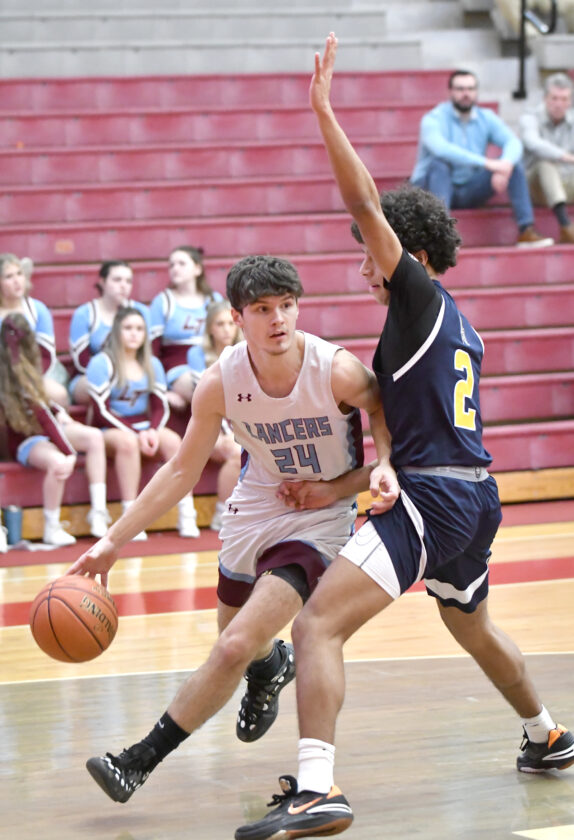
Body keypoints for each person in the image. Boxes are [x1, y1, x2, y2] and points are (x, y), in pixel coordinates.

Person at [235, 34, 574, 840]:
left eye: (372, 256)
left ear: (410, 253)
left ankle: (317, 789)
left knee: (316, 624)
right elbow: (415, 430)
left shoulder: (417, 297)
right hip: (471, 496)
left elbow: (363, 206)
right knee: (473, 625)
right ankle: (548, 734)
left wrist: (322, 111)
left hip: (437, 499)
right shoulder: (461, 326)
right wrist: (341, 488)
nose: (362, 268)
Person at [66, 254, 397, 809]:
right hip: (256, 506)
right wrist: (111, 543)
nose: (278, 320)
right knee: (242, 642)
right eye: (262, 309)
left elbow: (385, 414)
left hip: (319, 517)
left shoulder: (335, 368)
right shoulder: (220, 382)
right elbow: (179, 470)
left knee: (232, 645)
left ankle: (137, 762)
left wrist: (366, 474)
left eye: (287, 306)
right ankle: (271, 668)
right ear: (237, 318)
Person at [85, 306, 199, 541]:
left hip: (144, 426)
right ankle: (130, 515)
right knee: (127, 443)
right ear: (116, 331)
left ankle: (187, 512)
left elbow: (159, 406)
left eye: (139, 329)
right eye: (128, 328)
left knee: (174, 441)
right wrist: (137, 433)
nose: (134, 334)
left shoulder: (152, 363)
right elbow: (100, 411)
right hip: (111, 427)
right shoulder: (101, 363)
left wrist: (153, 431)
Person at [410, 69, 554, 248]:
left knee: (513, 164)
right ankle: (442, 236)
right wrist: (488, 163)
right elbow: (441, 149)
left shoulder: (486, 117)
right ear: (450, 92)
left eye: (470, 89)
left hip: (470, 189)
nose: (465, 94)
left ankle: (526, 230)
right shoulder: (433, 118)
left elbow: (513, 142)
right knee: (439, 164)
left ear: (476, 92)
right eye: (460, 89)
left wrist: (505, 165)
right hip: (432, 188)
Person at [0, 314, 110, 546]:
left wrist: (59, 411)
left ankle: (98, 512)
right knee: (60, 462)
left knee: (93, 437)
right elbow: (41, 415)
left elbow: (43, 408)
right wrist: (68, 451)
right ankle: (51, 525)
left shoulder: (29, 367)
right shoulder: (8, 373)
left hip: (39, 428)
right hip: (23, 438)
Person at [186, 299, 243, 531]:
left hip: (238, 426)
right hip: (207, 428)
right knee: (237, 453)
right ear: (210, 328)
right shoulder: (197, 355)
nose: (227, 329)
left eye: (230, 323)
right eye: (220, 324)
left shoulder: (245, 352)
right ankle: (222, 512)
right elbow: (206, 400)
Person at [149, 245, 223, 409]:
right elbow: (151, 351)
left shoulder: (213, 299)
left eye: (182, 264)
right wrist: (162, 389)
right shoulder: (163, 302)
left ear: (197, 269)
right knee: (204, 388)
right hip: (178, 367)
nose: (175, 269)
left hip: (211, 360)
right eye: (172, 265)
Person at [69, 260, 150, 405]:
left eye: (128, 281)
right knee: (95, 385)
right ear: (102, 282)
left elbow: (148, 352)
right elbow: (81, 361)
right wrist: (111, 373)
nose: (123, 285)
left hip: (132, 372)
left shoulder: (142, 312)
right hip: (90, 374)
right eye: (117, 280)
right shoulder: (85, 314)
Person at [0, 253, 70, 406]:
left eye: (19, 274)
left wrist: (28, 379)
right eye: (8, 277)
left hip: (36, 373)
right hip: (2, 374)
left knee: (59, 394)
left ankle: (57, 425)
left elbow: (46, 354)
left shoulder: (37, 309)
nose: (17, 281)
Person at [519, 72, 574, 245]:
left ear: (570, 101)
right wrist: (565, 156)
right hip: (537, 187)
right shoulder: (529, 117)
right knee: (545, 164)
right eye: (554, 98)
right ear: (545, 98)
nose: (559, 104)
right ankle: (566, 226)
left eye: (564, 99)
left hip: (567, 182)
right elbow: (533, 143)